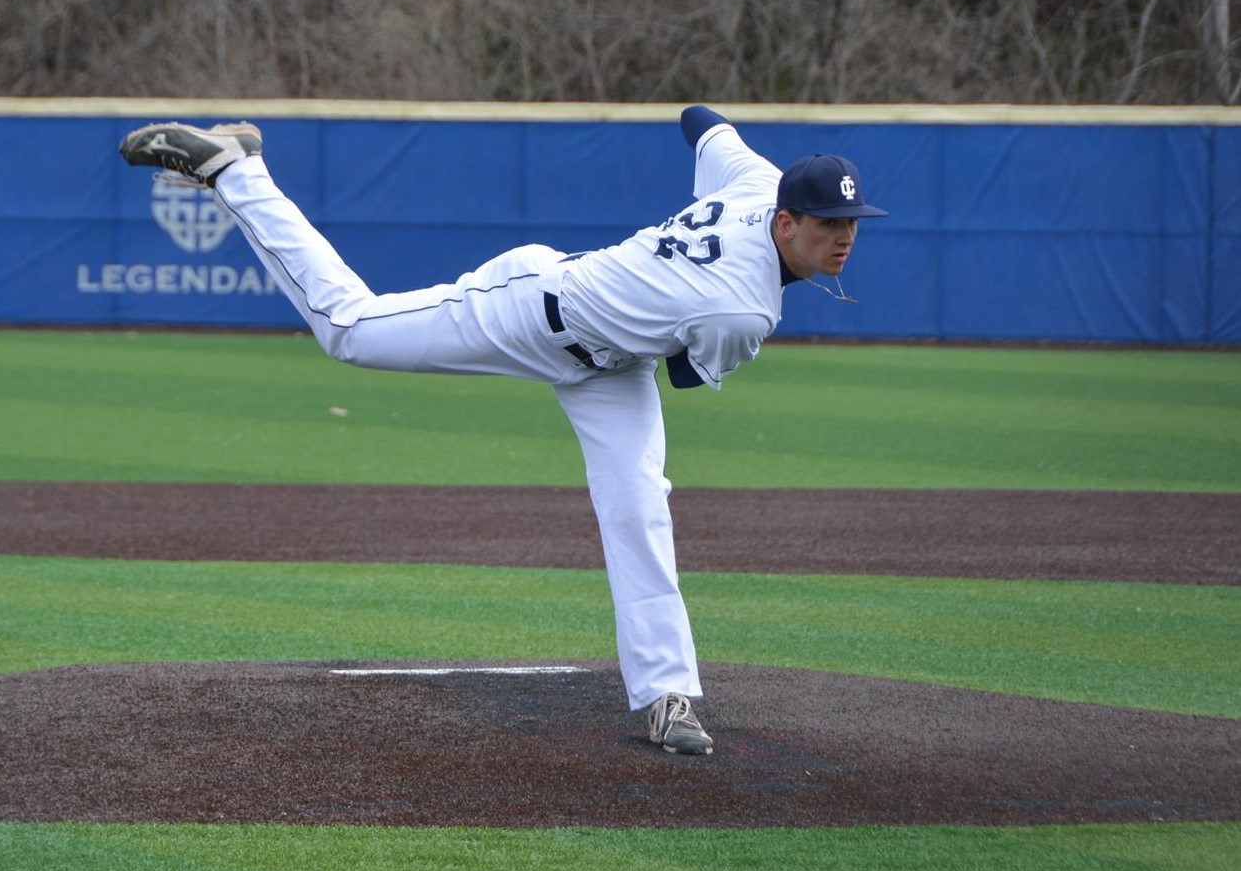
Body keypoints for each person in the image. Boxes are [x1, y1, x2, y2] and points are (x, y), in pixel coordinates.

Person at [119, 106, 888, 755]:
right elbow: (689, 368)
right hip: (533, 309)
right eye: (828, 224)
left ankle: (668, 698)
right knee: (348, 330)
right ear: (787, 220)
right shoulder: (744, 312)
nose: (844, 238)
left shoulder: (758, 179)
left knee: (639, 506)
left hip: (614, 366)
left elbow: (705, 125)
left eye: (851, 223)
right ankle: (236, 170)